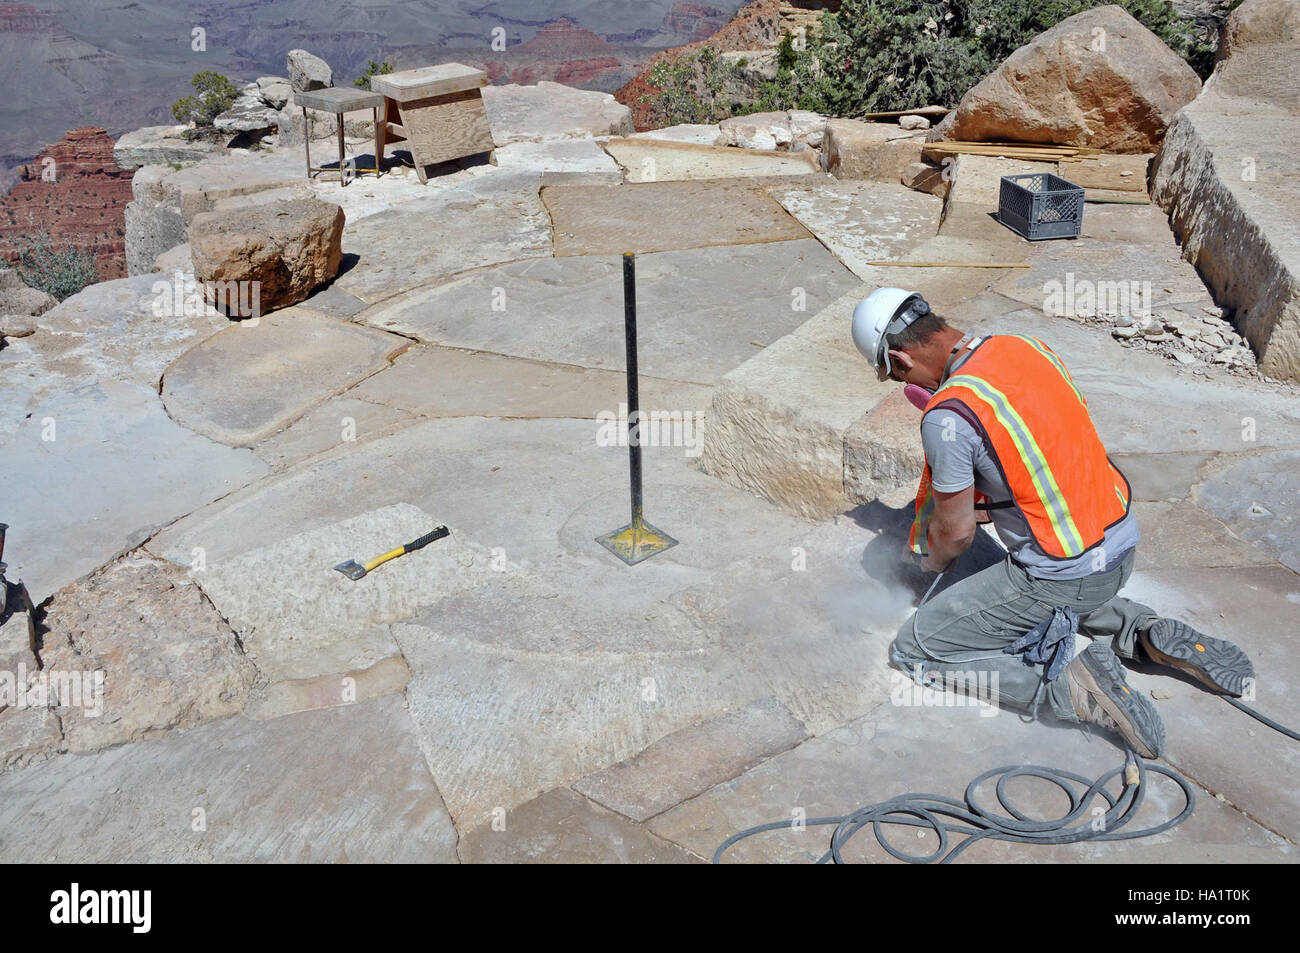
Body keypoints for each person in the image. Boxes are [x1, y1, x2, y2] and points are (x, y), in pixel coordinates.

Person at [850, 288, 1255, 757]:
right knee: (1058, 589)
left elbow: (956, 532)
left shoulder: (950, 415)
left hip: (1066, 573)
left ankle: (1071, 690)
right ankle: (1140, 631)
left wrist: (932, 564)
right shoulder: (1025, 347)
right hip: (1119, 543)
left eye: (895, 375)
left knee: (916, 647)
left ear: (900, 359)